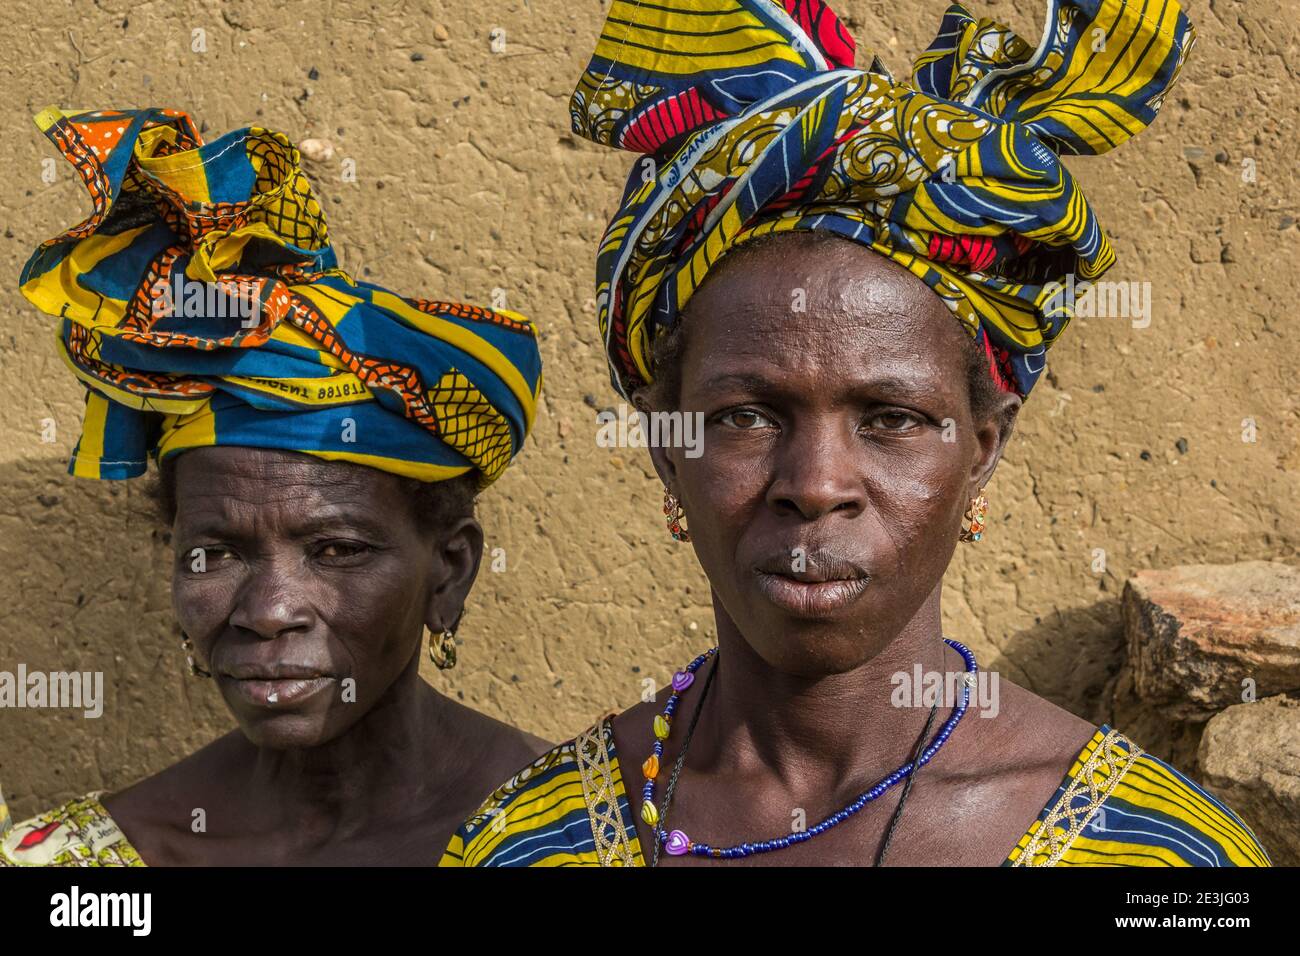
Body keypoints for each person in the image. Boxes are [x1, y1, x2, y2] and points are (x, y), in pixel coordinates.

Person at [441, 0, 1271, 866]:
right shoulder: (529, 843)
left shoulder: (1163, 859)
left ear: (983, 449)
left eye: (891, 419)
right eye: (747, 417)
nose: (818, 483)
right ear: (665, 444)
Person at [0, 107, 547, 866]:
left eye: (335, 549)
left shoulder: (584, 840)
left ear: (449, 572)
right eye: (217, 554)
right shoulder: (84, 871)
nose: (268, 613)